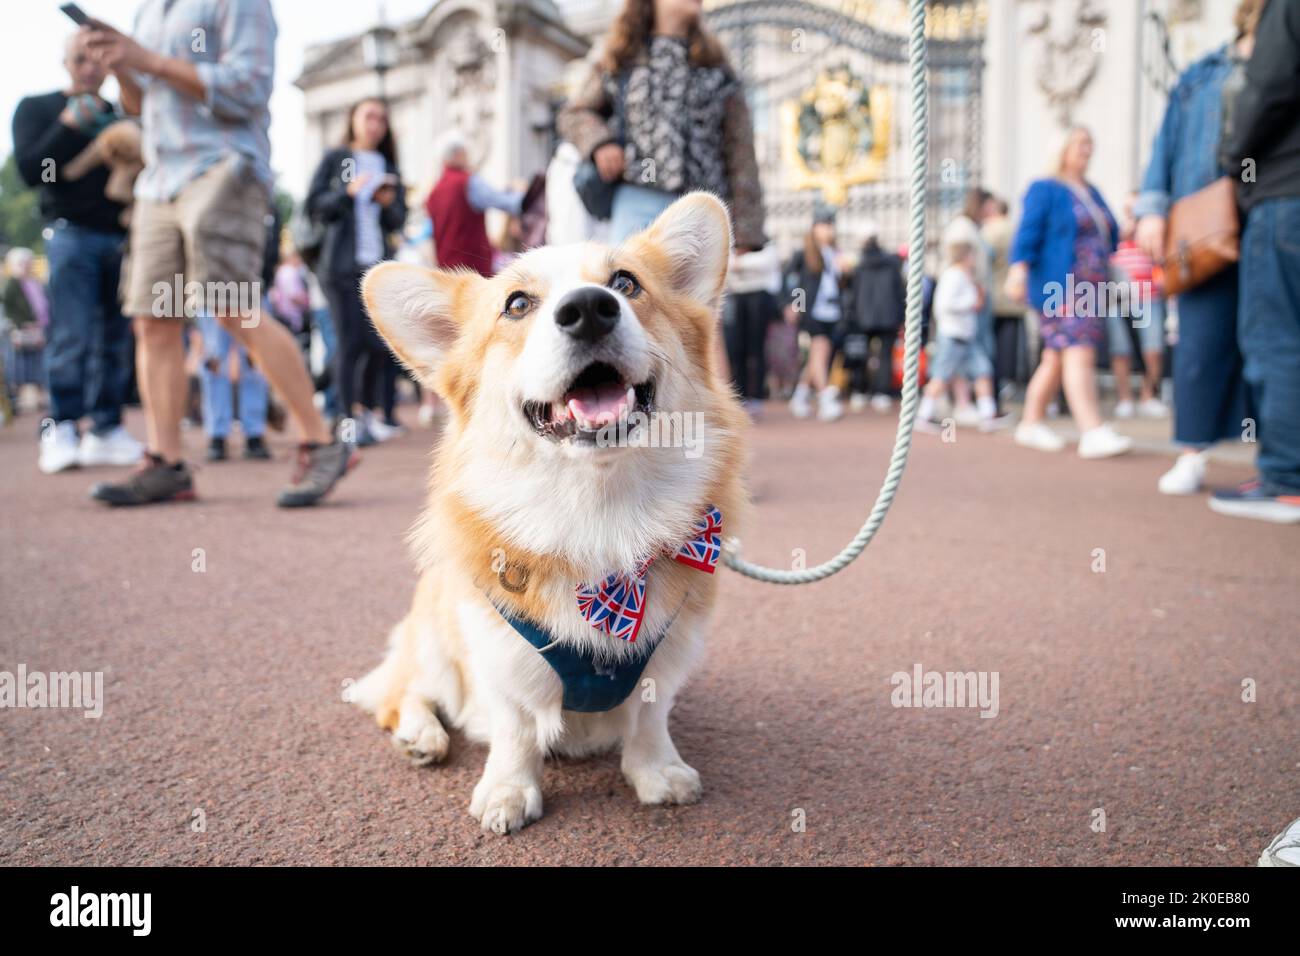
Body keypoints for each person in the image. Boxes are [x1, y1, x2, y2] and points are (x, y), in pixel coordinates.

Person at [82, 2, 353, 507]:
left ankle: (320, 440)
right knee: (153, 320)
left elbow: (248, 87)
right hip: (159, 177)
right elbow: (142, 106)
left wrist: (150, 59)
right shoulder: (148, 11)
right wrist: (124, 67)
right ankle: (167, 462)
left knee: (232, 308)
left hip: (222, 168)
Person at [1135, 1, 1259, 498]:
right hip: (1204, 225)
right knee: (1200, 341)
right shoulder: (1201, 72)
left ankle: (1275, 457)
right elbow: (1166, 144)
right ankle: (1192, 450)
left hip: (1266, 220)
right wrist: (1152, 208)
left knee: (1272, 342)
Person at [11, 30, 142, 474]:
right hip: (70, 234)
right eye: (79, 59)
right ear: (64, 62)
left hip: (121, 236)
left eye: (96, 59)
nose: (89, 67)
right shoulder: (38, 108)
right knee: (71, 335)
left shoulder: (123, 114)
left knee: (116, 338)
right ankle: (61, 427)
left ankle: (106, 428)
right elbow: (32, 171)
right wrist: (67, 125)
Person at [556, 0, 765, 250]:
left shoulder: (717, 67)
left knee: (699, 289)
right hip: (637, 199)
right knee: (629, 283)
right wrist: (601, 143)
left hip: (700, 207)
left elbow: (741, 153)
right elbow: (573, 113)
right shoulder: (621, 59)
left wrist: (745, 233)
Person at [1216, 0, 1300, 523]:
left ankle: (1287, 477)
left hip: (1285, 195)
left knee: (1276, 335)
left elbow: (1268, 88)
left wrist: (1231, 161)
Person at [1006, 126, 1133, 459]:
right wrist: (1018, 272)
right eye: (1080, 143)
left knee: (1056, 355)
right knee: (1079, 349)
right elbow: (1027, 234)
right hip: (1060, 285)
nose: (1087, 149)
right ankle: (1091, 430)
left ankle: (1031, 423)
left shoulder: (1091, 191)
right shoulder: (1045, 188)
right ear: (1061, 148)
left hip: (1091, 286)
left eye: (1090, 143)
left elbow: (1112, 235)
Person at [307, 97, 409, 446]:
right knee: (349, 342)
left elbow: (399, 219)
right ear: (353, 120)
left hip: (376, 266)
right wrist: (348, 193)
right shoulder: (339, 159)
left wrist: (387, 203)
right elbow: (315, 206)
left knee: (375, 344)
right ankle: (346, 419)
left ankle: (361, 411)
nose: (375, 124)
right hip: (340, 266)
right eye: (368, 116)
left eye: (382, 118)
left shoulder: (387, 163)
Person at [918, 240, 1006, 432]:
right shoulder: (953, 276)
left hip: (966, 335)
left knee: (983, 371)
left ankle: (987, 414)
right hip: (953, 335)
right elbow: (945, 305)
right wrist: (972, 301)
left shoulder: (964, 276)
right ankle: (923, 415)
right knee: (941, 375)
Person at [424, 133, 522, 278]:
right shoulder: (468, 182)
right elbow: (504, 202)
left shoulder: (434, 191)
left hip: (446, 270)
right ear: (458, 154)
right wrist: (528, 195)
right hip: (472, 269)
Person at [1107, 193, 1168, 422]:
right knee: (1120, 350)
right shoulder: (1118, 233)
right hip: (1118, 299)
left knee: (1153, 348)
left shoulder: (1152, 230)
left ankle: (1148, 396)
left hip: (1148, 297)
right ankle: (1124, 399)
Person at [783, 209, 845, 422]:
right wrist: (794, 305)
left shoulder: (834, 253)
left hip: (832, 310)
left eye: (830, 225)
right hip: (812, 310)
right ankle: (825, 398)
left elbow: (837, 284)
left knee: (819, 356)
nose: (827, 230)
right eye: (823, 225)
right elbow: (791, 280)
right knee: (819, 350)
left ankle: (799, 396)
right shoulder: (804, 254)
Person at [844, 223, 905, 413]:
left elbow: (853, 293)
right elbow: (900, 291)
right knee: (885, 355)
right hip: (888, 315)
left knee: (862, 354)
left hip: (864, 316)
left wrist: (851, 314)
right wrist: (901, 314)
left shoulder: (859, 265)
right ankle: (882, 393)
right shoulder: (892, 262)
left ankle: (861, 390)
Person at [723, 244, 781, 418]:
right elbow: (726, 264)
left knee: (756, 349)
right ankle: (740, 396)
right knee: (735, 350)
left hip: (759, 297)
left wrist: (740, 263)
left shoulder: (765, 244)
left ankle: (756, 396)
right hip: (735, 295)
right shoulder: (732, 241)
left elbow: (766, 262)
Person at [983, 197, 1026, 401]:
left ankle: (995, 387)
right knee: (1011, 347)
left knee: (993, 347)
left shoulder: (990, 231)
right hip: (1014, 299)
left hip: (994, 297)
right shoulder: (1016, 230)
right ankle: (1008, 382)